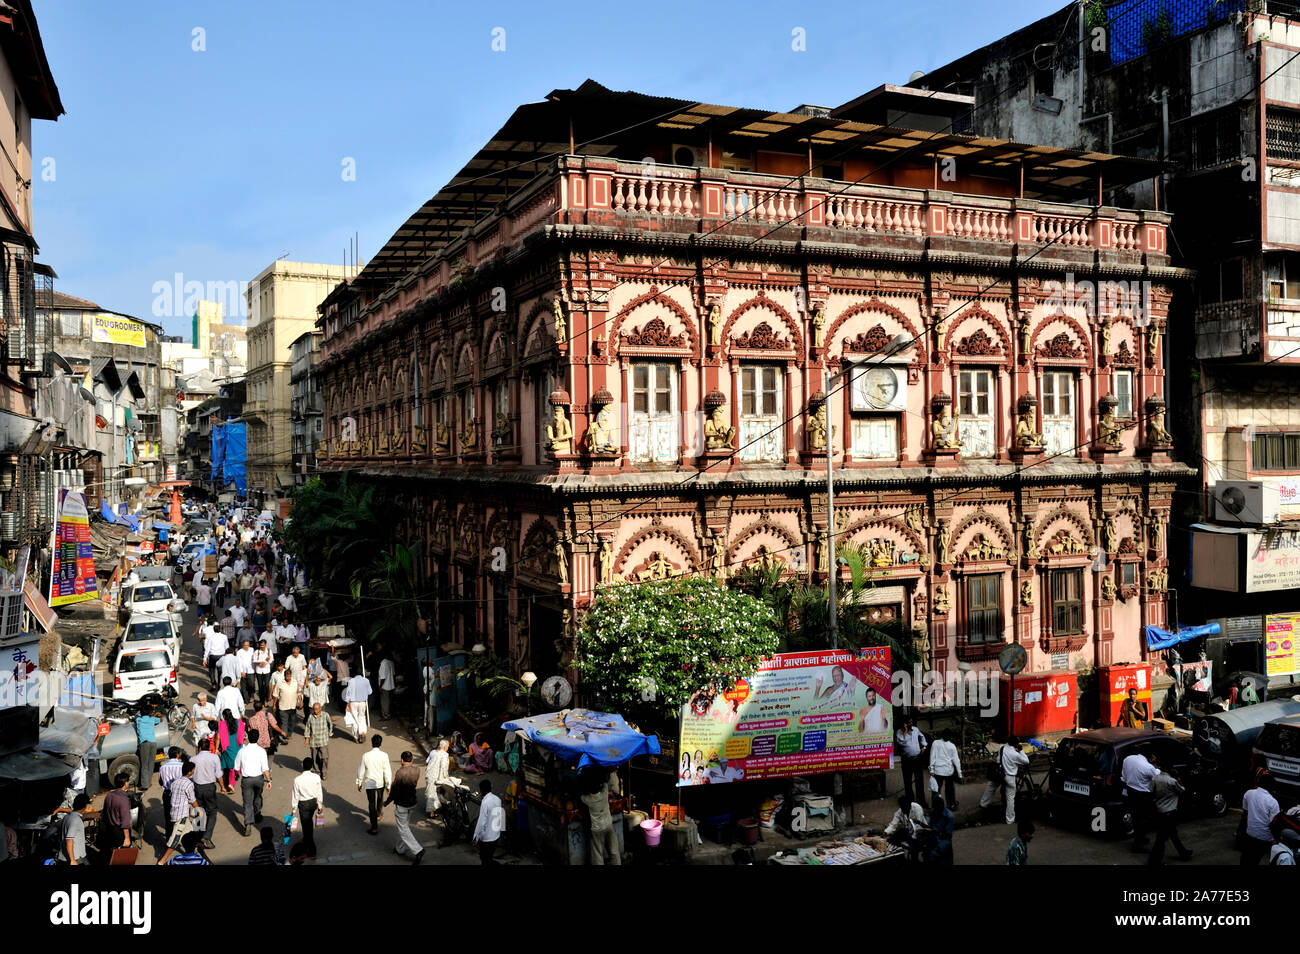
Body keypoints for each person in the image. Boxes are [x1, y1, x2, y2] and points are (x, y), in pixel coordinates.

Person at [1147, 754, 1193, 865]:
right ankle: (1154, 861)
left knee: (1173, 834)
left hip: (1160, 811)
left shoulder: (1155, 778)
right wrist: (1179, 779)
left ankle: (1183, 853)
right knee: (1161, 838)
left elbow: (1150, 791)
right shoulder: (1171, 781)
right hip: (1170, 813)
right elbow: (1182, 790)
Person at [384, 751, 425, 864]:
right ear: (412, 760)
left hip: (402, 804)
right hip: (412, 803)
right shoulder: (417, 770)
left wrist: (387, 801)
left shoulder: (400, 772)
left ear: (402, 760)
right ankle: (399, 848)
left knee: (403, 829)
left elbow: (395, 790)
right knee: (404, 827)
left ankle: (418, 850)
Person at [980, 736, 1030, 824]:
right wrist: (1021, 750)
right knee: (1010, 798)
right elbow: (1026, 761)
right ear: (1016, 744)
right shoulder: (1015, 754)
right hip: (1010, 777)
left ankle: (983, 803)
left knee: (991, 787)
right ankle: (1009, 819)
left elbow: (998, 759)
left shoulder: (1002, 748)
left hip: (1000, 773)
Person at [158, 760, 198, 865]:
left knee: (190, 835)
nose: (194, 771)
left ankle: (192, 855)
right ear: (190, 772)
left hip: (174, 813)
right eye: (193, 770)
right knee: (175, 840)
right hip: (182, 816)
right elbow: (192, 800)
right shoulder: (189, 784)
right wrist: (199, 810)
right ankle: (162, 861)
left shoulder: (175, 782)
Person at [233, 727, 272, 837]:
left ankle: (248, 824)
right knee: (258, 796)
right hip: (259, 779)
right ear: (258, 738)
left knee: (247, 802)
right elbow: (265, 769)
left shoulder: (242, 750)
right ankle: (257, 813)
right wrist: (269, 780)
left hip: (247, 780)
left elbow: (236, 768)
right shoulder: (261, 751)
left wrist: (237, 776)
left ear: (248, 738)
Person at [1120, 747, 1160, 852]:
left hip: (1130, 791)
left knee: (1136, 817)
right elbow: (1158, 776)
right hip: (1143, 795)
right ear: (1151, 758)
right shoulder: (1148, 767)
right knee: (1144, 819)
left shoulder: (1128, 759)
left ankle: (1140, 838)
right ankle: (1137, 844)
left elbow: (1123, 777)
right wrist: (1155, 765)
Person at [580, 767, 620, 866]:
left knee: (597, 853)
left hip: (597, 829)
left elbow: (580, 795)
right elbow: (606, 782)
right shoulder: (604, 793)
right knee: (614, 850)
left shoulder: (587, 799)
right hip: (608, 825)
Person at [1241, 771, 1280, 865]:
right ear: (1270, 787)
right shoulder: (1273, 802)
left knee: (1245, 859)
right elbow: (1274, 824)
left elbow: (1245, 813)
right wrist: (1275, 841)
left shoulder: (1248, 793)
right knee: (1255, 859)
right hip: (1265, 838)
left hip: (1250, 834)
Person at [356, 734, 392, 835]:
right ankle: (379, 814)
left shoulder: (366, 755)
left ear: (372, 743)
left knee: (371, 803)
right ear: (381, 744)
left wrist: (359, 782)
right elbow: (387, 771)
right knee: (380, 799)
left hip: (369, 783)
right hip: (380, 783)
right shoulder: (384, 755)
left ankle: (374, 827)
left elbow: (361, 770)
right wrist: (388, 785)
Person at [291, 757, 323, 860]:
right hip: (313, 803)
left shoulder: (297, 780)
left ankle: (311, 851)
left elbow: (295, 796)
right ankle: (306, 839)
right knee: (308, 823)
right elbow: (319, 792)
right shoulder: (316, 777)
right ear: (311, 766)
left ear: (303, 766)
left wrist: (293, 810)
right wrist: (320, 805)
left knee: (307, 827)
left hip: (303, 804)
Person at [191, 736, 221, 849]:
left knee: (199, 811)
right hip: (209, 788)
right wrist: (222, 787)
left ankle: (197, 838)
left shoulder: (193, 759)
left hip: (197, 787)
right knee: (212, 812)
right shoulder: (214, 758)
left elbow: (190, 775)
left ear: (199, 748)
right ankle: (207, 837)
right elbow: (218, 775)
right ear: (209, 748)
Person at [97, 771, 134, 860]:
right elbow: (125, 821)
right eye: (128, 781)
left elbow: (105, 811)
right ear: (125, 783)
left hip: (109, 828)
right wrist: (127, 838)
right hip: (119, 830)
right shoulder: (124, 799)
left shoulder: (109, 795)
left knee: (111, 851)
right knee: (121, 855)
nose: (128, 783)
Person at [895, 715, 928, 809]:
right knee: (908, 782)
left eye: (911, 722)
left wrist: (924, 746)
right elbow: (902, 742)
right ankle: (911, 802)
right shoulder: (899, 733)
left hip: (917, 759)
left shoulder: (916, 730)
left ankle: (921, 801)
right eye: (909, 722)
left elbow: (922, 737)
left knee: (919, 781)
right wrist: (905, 731)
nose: (911, 724)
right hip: (907, 761)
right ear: (904, 724)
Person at [883, 794, 928, 862]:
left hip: (920, 833)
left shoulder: (917, 808)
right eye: (901, 807)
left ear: (909, 805)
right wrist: (886, 832)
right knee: (892, 839)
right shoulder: (901, 811)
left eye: (904, 807)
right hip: (909, 832)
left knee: (913, 848)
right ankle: (898, 857)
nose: (902, 809)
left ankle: (914, 861)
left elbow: (918, 828)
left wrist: (910, 837)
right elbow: (893, 824)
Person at [928, 728, 963, 810]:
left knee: (936, 789)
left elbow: (932, 757)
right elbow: (956, 761)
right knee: (950, 789)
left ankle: (935, 807)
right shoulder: (952, 746)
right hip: (948, 772)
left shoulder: (935, 743)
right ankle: (951, 804)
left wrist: (931, 769)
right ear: (950, 737)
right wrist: (959, 774)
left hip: (938, 771)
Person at [473, 778, 504, 865]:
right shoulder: (498, 799)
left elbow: (481, 822)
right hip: (496, 835)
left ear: (482, 790)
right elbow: (501, 816)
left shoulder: (485, 802)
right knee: (489, 856)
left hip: (487, 838)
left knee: (484, 859)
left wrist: (476, 837)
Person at [217, 710, 246, 793]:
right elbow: (242, 734)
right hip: (237, 747)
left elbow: (218, 737)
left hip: (226, 748)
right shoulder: (239, 722)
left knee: (226, 767)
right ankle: (231, 783)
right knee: (235, 766)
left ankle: (226, 784)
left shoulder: (222, 724)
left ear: (224, 716)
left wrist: (216, 748)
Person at [304, 701, 333, 781]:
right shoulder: (310, 717)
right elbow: (307, 727)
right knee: (314, 758)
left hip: (323, 740)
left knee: (324, 757)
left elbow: (330, 724)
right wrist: (307, 738)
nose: (315, 711)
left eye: (317, 709)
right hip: (313, 741)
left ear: (320, 708)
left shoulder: (325, 715)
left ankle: (324, 772)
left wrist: (330, 733)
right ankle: (316, 772)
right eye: (314, 709)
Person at [58, 795, 90, 866]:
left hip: (71, 855)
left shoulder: (67, 817)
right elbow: (69, 839)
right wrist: (72, 860)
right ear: (85, 806)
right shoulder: (76, 820)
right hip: (76, 857)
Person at [343, 670, 373, 743]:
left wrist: (347, 703)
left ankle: (356, 736)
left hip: (353, 702)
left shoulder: (351, 681)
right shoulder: (366, 680)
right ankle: (362, 732)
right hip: (362, 702)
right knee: (362, 717)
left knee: (354, 719)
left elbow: (348, 693)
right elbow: (370, 692)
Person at [135, 713, 161, 791]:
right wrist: (154, 715)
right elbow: (160, 720)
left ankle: (144, 785)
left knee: (144, 764)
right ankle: (148, 782)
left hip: (144, 743)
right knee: (151, 763)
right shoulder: (152, 719)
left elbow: (135, 717)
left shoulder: (138, 720)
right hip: (153, 743)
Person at [425, 738, 451, 815]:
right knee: (434, 794)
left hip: (429, 775)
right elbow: (443, 767)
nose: (448, 748)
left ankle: (433, 811)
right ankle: (432, 812)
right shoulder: (444, 754)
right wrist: (445, 776)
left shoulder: (435, 753)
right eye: (448, 746)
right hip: (435, 776)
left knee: (432, 793)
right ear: (445, 747)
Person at [927, 794, 955, 864]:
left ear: (941, 808)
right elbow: (931, 825)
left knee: (933, 854)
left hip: (944, 839)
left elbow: (947, 836)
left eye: (936, 809)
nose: (934, 810)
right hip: (933, 836)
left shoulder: (949, 817)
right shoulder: (934, 812)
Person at [274, 667, 302, 739]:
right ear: (284, 676)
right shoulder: (280, 683)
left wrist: (300, 702)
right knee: (284, 722)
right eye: (287, 676)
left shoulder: (295, 682)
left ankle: (289, 734)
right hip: (283, 707)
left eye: (290, 676)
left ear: (291, 675)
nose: (288, 678)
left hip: (292, 706)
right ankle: (284, 736)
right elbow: (276, 695)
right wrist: (274, 705)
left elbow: (298, 693)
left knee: (292, 722)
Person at [159, 746, 184, 821]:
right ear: (178, 755)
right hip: (179, 794)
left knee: (168, 816)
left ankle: (169, 832)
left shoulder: (163, 767)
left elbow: (160, 782)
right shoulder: (182, 766)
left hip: (167, 794)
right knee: (180, 816)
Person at [377, 654, 395, 720]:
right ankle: (389, 714)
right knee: (389, 701)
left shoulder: (383, 663)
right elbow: (393, 674)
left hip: (385, 686)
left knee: (385, 702)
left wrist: (380, 686)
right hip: (391, 685)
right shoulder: (391, 662)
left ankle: (385, 716)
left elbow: (383, 677)